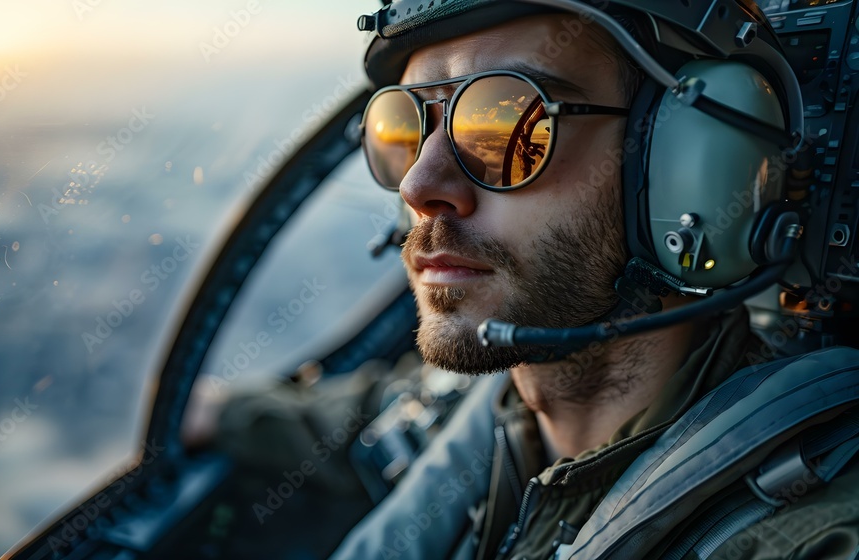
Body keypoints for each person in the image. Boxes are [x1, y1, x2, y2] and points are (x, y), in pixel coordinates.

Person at [322, 1, 859, 559]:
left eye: (505, 122)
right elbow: (389, 401)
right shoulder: (494, 403)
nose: (417, 185)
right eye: (409, 126)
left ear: (680, 164)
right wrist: (234, 415)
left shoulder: (812, 538)